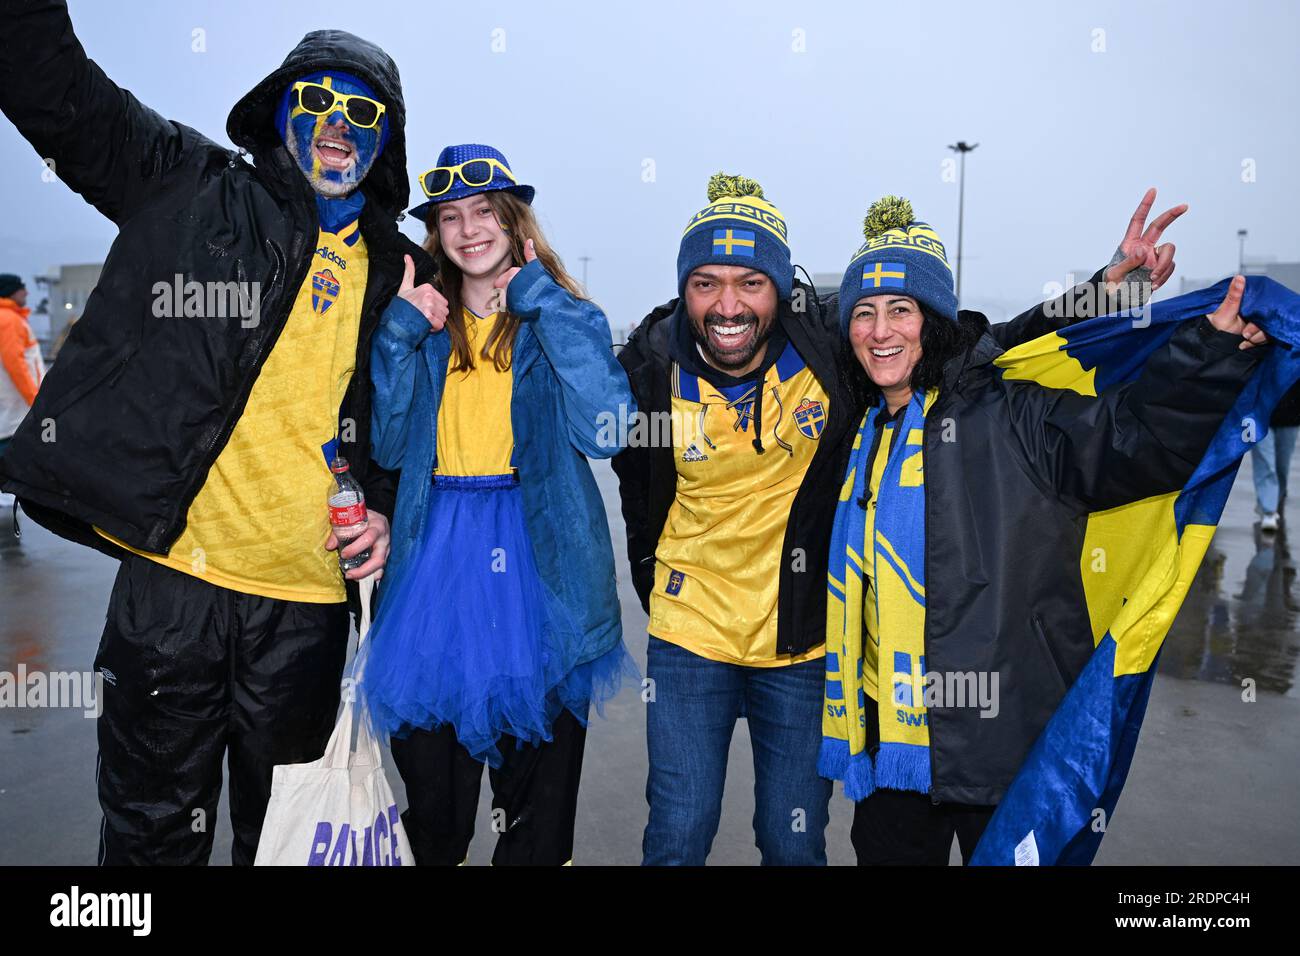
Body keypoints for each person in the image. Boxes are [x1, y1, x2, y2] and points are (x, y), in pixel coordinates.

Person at [611, 174, 1180, 865]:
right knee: (679, 829)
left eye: (750, 282)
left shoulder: (827, 352)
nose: (728, 303)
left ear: (778, 289)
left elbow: (987, 343)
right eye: (706, 283)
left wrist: (1103, 292)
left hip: (801, 643)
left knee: (790, 841)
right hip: (690, 634)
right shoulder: (651, 363)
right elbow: (635, 483)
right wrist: (650, 574)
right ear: (685, 289)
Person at [0, 0, 434, 864]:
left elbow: (389, 421)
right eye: (317, 100)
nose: (337, 125)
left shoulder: (395, 270)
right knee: (149, 833)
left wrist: (381, 507)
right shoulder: (192, 187)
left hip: (308, 610)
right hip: (173, 591)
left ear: (382, 142)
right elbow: (56, 90)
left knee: (281, 838)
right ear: (281, 112)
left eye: (362, 112)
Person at [821, 196, 1266, 865]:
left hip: (1001, 740)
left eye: (901, 309)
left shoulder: (1009, 414)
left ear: (934, 324)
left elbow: (1134, 441)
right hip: (888, 747)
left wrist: (1210, 349)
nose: (880, 329)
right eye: (864, 311)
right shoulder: (856, 429)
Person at [362, 144, 636, 866]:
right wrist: (395, 335)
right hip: (435, 569)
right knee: (437, 814)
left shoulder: (560, 318)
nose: (468, 228)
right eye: (450, 216)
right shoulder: (422, 328)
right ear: (437, 233)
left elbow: (606, 429)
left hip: (538, 568)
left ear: (516, 224)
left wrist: (545, 303)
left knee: (536, 826)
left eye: (485, 211)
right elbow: (388, 449)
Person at [0, 273, 43, 460]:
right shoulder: (9, 320)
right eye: (21, 288)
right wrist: (35, 399)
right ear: (10, 291)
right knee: (11, 443)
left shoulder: (10, 318)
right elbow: (15, 363)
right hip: (19, 402)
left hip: (17, 400)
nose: (26, 292)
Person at [1250, 379, 1300, 532]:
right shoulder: (1258, 353)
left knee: (1281, 468)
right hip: (1259, 415)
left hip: (1292, 416)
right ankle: (1269, 511)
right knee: (1266, 464)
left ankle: (1276, 500)